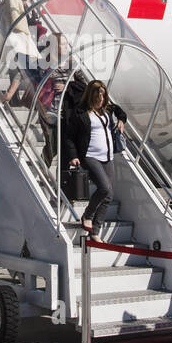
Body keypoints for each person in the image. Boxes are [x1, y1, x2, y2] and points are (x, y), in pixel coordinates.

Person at [61, 80, 127, 234]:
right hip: (90, 155)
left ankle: (95, 231)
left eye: (103, 97)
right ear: (91, 96)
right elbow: (69, 136)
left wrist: (121, 120)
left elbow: (121, 112)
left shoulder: (108, 109)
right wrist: (73, 156)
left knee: (109, 195)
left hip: (107, 156)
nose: (101, 100)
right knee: (104, 188)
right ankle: (87, 216)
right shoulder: (81, 113)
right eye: (98, 97)